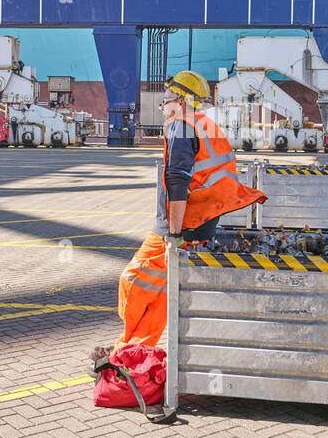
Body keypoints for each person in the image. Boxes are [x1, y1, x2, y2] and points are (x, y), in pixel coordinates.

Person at [112, 71, 266, 357]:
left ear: (182, 100)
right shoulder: (208, 125)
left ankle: (128, 349)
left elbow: (178, 182)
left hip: (183, 224)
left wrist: (173, 233)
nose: (164, 106)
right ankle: (135, 350)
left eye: (167, 99)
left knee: (132, 281)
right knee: (160, 293)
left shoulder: (181, 127)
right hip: (204, 222)